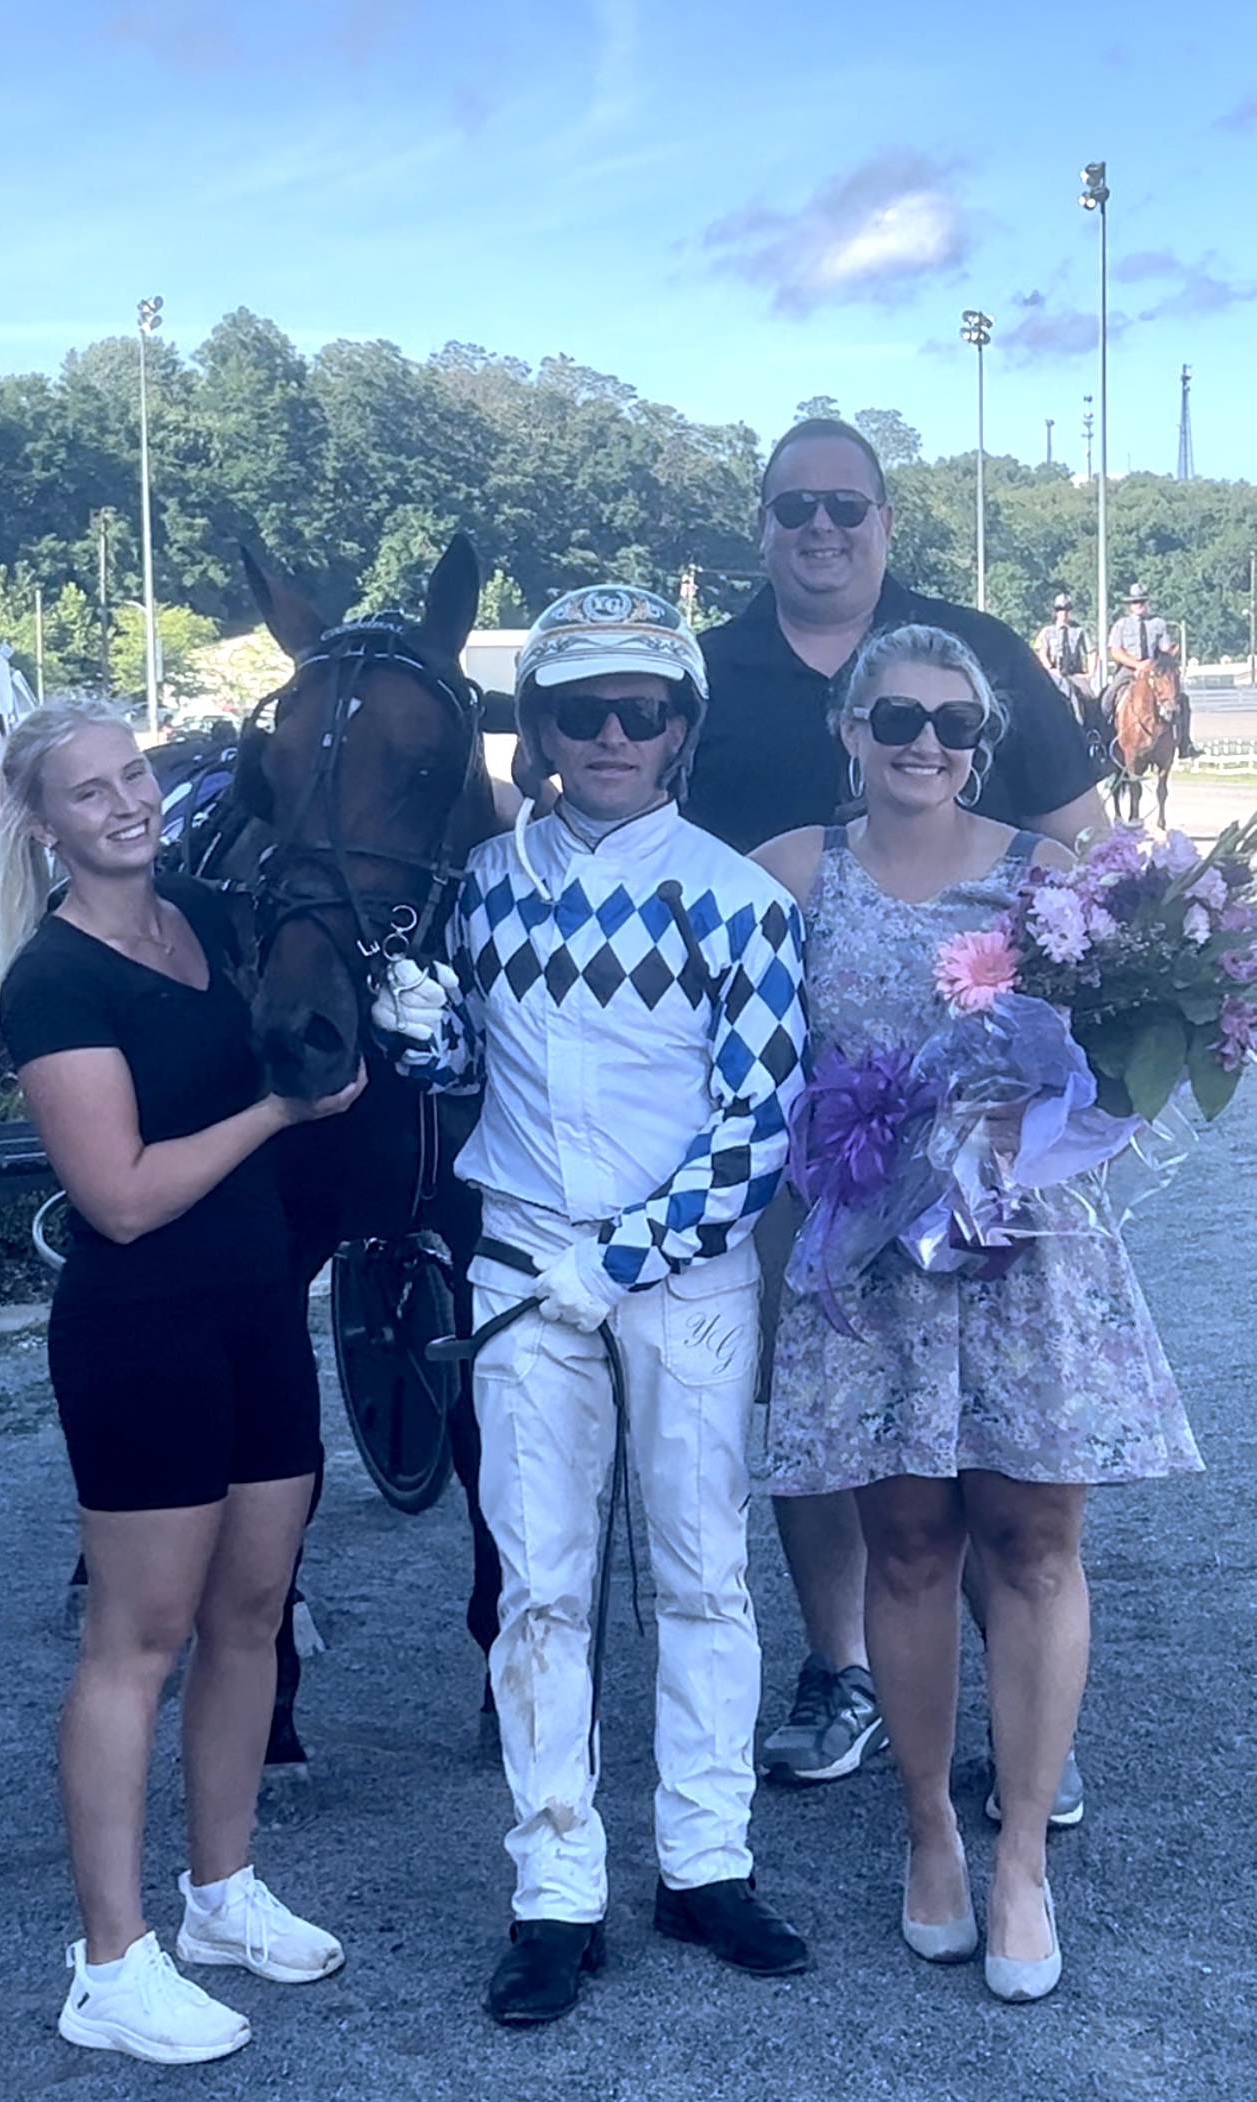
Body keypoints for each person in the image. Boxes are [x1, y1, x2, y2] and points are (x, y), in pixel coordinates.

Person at [375, 586, 810, 2025]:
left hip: (672, 1275)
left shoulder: (741, 901)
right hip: (522, 1263)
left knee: (701, 1571)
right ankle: (553, 1884)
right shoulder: (478, 889)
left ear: (682, 727)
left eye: (645, 709)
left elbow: (757, 1126)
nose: (615, 733)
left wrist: (618, 1258)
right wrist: (428, 1048)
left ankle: (705, 1859)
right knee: (540, 1586)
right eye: (583, 710)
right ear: (540, 730)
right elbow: (464, 1089)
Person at [753, 622, 1201, 2000]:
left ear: (982, 744)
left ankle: (1019, 1856)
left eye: (954, 726)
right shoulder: (790, 873)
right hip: (876, 1256)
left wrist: (1058, 1120)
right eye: (896, 717)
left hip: (1023, 1250)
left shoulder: (1047, 876)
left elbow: (1140, 1054)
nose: (925, 745)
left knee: (1035, 1538)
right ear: (848, 727)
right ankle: (926, 1827)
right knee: (903, 1545)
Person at [683, 416, 1104, 1799]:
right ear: (760, 524)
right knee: (824, 1417)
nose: (821, 527)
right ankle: (839, 1666)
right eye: (794, 505)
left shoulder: (966, 645)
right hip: (806, 1130)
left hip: (986, 1150)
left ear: (884, 522)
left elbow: (1094, 862)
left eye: (846, 505)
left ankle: (1018, 1717)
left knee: (995, 1438)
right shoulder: (707, 671)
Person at [0, 700, 361, 2066]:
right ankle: (110, 1956)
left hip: (259, 1313)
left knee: (250, 1613)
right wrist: (276, 1111)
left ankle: (219, 1892)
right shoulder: (54, 982)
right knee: (134, 1642)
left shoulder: (207, 910)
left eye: (133, 774)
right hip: (140, 1329)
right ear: (46, 825)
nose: (125, 803)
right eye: (88, 794)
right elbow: (126, 1196)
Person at [1107, 583, 1195, 757]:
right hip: (1129, 670)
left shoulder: (1158, 624)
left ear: (1147, 602)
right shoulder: (1121, 625)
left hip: (1154, 670)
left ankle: (1185, 743)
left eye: (1141, 601)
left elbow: (1164, 650)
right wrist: (1137, 665)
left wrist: (1163, 658)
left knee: (1181, 700)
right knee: (1106, 699)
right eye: (1135, 602)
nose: (1138, 604)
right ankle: (1106, 741)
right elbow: (1115, 651)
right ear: (1130, 605)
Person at [1033, 594, 1095, 722]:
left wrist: (1089, 674)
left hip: (1074, 675)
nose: (1064, 613)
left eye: (1067, 609)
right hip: (1054, 675)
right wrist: (1050, 668)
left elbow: (1092, 651)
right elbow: (1041, 652)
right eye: (1060, 609)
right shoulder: (1047, 632)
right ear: (1055, 612)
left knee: (1090, 698)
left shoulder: (1079, 631)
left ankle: (1092, 732)